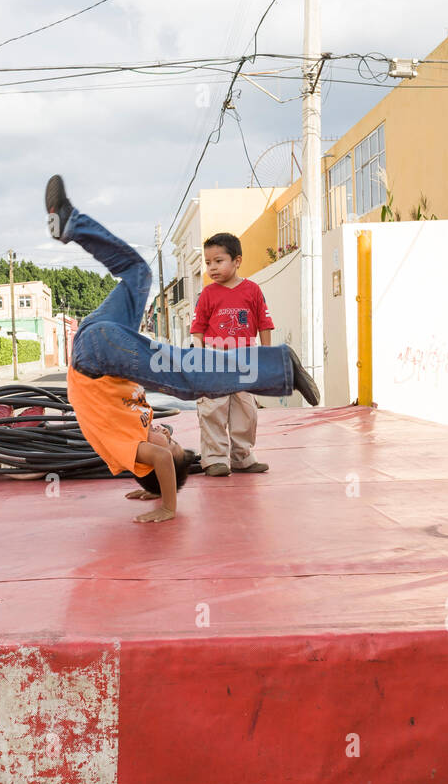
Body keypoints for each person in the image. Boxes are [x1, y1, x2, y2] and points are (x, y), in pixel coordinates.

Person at [46, 175, 319, 523]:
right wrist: (150, 488)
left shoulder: (126, 452)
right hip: (100, 336)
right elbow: (156, 463)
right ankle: (71, 222)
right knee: (138, 274)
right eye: (174, 444)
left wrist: (166, 506)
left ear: (145, 463)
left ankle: (280, 367)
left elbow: (157, 462)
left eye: (171, 447)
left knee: (184, 378)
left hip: (96, 356)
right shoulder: (139, 439)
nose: (169, 438)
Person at [190, 232, 275, 477]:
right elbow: (197, 329)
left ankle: (242, 457)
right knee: (212, 410)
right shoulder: (207, 294)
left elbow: (264, 324)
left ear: (237, 261)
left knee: (246, 411)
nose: (212, 268)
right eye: (207, 263)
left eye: (218, 261)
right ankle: (215, 459)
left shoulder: (252, 290)